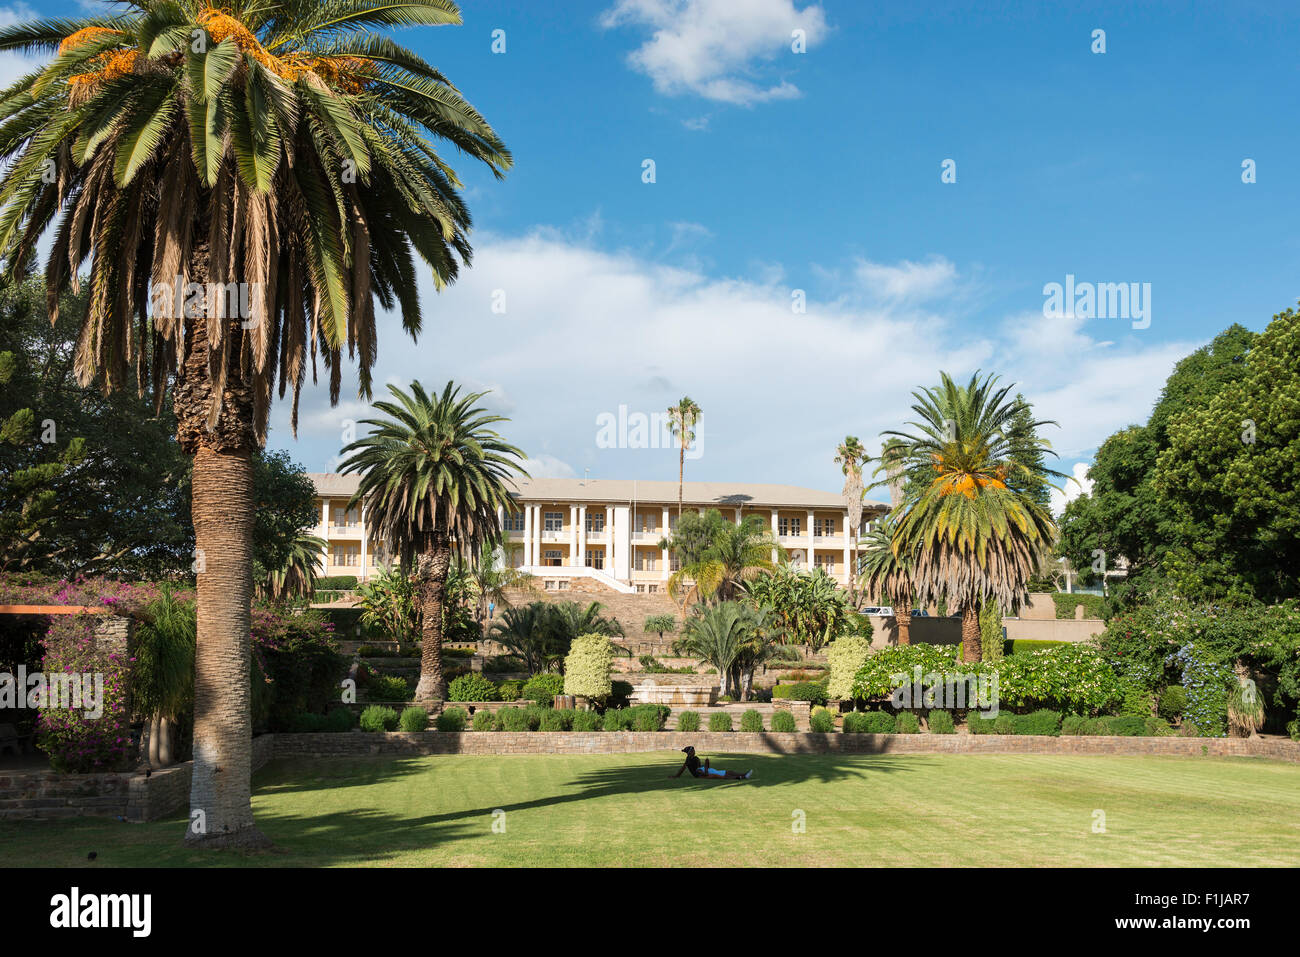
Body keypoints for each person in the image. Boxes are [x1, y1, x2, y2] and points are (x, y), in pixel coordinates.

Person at [671, 745, 751, 780]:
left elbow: (705, 768)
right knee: (724, 775)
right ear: (689, 752)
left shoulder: (696, 758)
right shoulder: (689, 760)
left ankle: (744, 774)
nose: (694, 751)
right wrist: (676, 776)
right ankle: (742, 777)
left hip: (705, 770)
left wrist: (707, 764)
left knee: (729, 772)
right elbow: (683, 769)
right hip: (701, 774)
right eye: (693, 750)